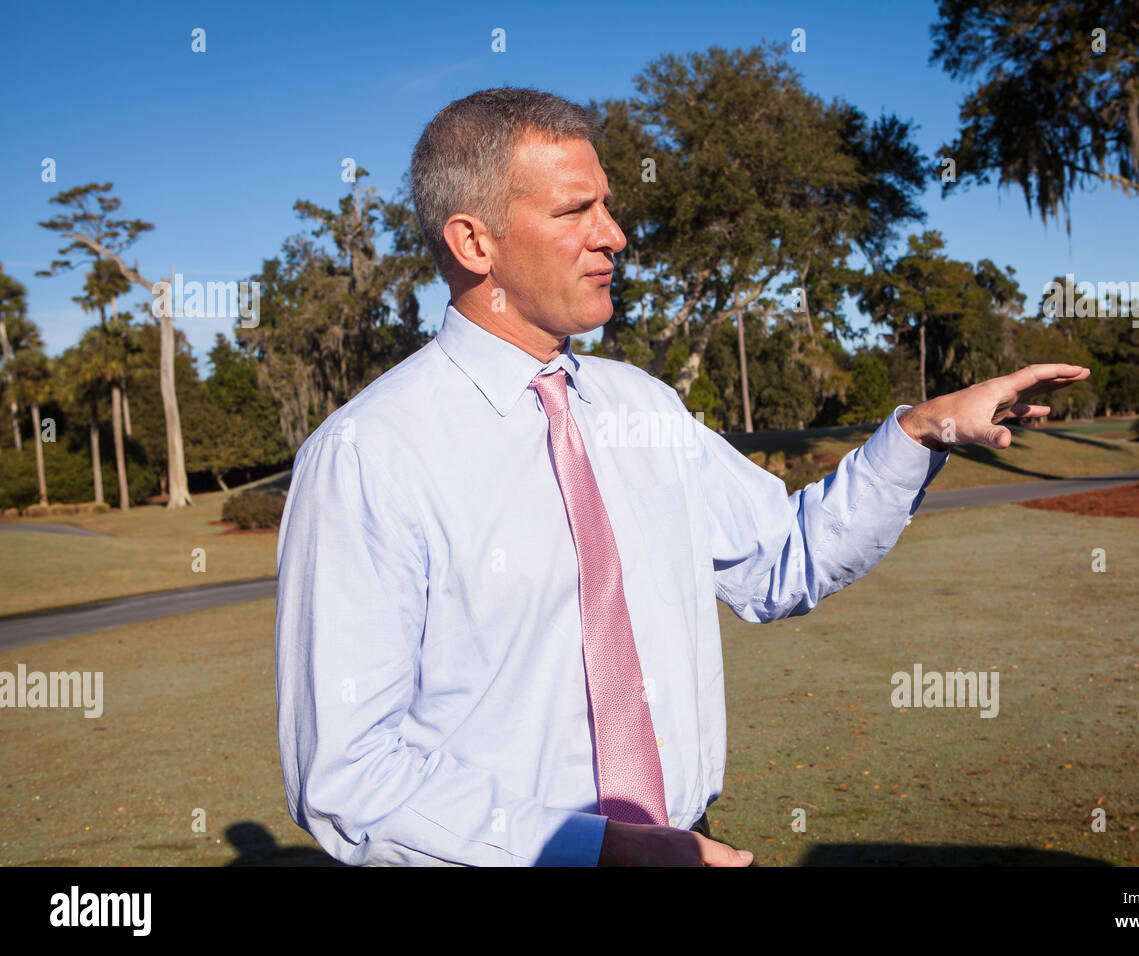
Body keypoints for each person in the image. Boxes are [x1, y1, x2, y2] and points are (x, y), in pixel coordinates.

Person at [274, 87, 1090, 867]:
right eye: (574, 211)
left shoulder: (644, 408)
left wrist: (919, 430)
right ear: (474, 242)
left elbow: (786, 561)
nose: (615, 234)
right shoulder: (368, 457)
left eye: (607, 203)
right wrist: (598, 853)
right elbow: (350, 780)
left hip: (687, 844)